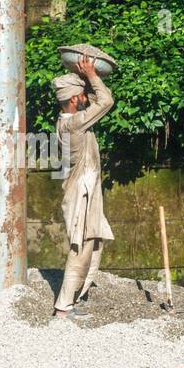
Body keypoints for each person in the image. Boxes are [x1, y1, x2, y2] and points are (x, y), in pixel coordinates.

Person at [53, 55, 114, 318]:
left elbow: (97, 101)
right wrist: (91, 74)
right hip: (81, 193)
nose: (85, 97)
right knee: (81, 246)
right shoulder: (73, 124)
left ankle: (73, 298)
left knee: (95, 243)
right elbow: (107, 101)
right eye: (82, 95)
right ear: (74, 99)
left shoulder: (70, 120)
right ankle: (63, 308)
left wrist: (87, 86)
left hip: (87, 190)